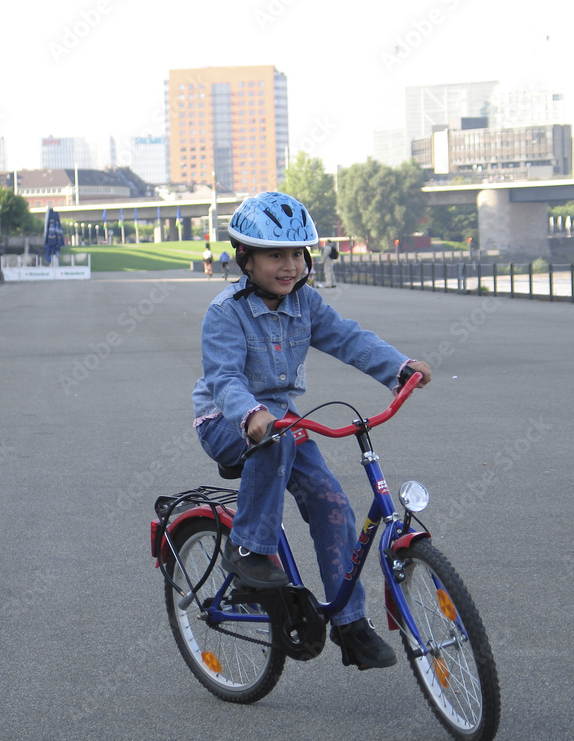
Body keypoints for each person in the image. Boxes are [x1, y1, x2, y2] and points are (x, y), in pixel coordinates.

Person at [192, 192, 431, 670]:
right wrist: (250, 414)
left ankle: (349, 623)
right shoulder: (225, 312)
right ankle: (247, 551)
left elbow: (348, 338)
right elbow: (224, 379)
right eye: (275, 254)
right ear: (245, 257)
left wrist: (399, 368)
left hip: (283, 420)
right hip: (225, 419)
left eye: (298, 254)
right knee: (275, 438)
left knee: (333, 503)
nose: (290, 265)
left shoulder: (306, 303)